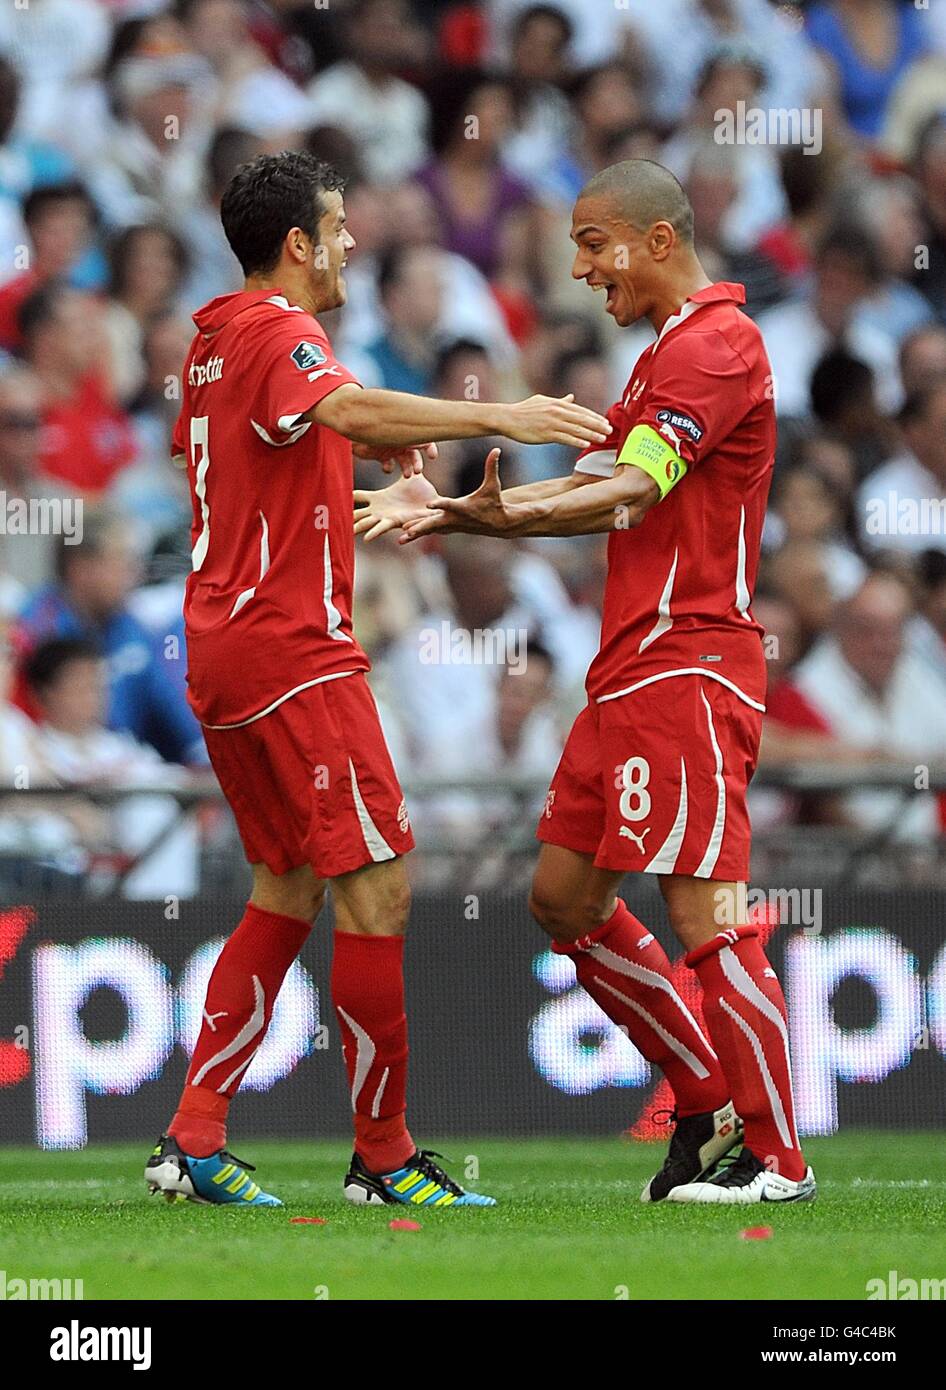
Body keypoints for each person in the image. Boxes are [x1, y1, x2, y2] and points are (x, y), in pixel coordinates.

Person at [145, 148, 610, 1209]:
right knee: (379, 882)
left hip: (224, 649)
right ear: (298, 244)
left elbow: (241, 451)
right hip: (293, 651)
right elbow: (344, 410)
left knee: (285, 887)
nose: (353, 243)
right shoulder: (277, 328)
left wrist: (356, 484)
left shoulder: (213, 339)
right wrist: (501, 416)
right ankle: (386, 1156)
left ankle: (193, 1137)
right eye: (340, 227)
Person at [357, 158, 816, 1204]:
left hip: (690, 659)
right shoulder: (666, 353)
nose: (578, 267)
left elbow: (625, 493)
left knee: (707, 911)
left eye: (595, 242)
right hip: (627, 670)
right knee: (562, 897)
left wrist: (495, 514)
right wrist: (450, 511)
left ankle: (776, 1156)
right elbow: (592, 473)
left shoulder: (717, 344)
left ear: (660, 239)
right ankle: (698, 1087)